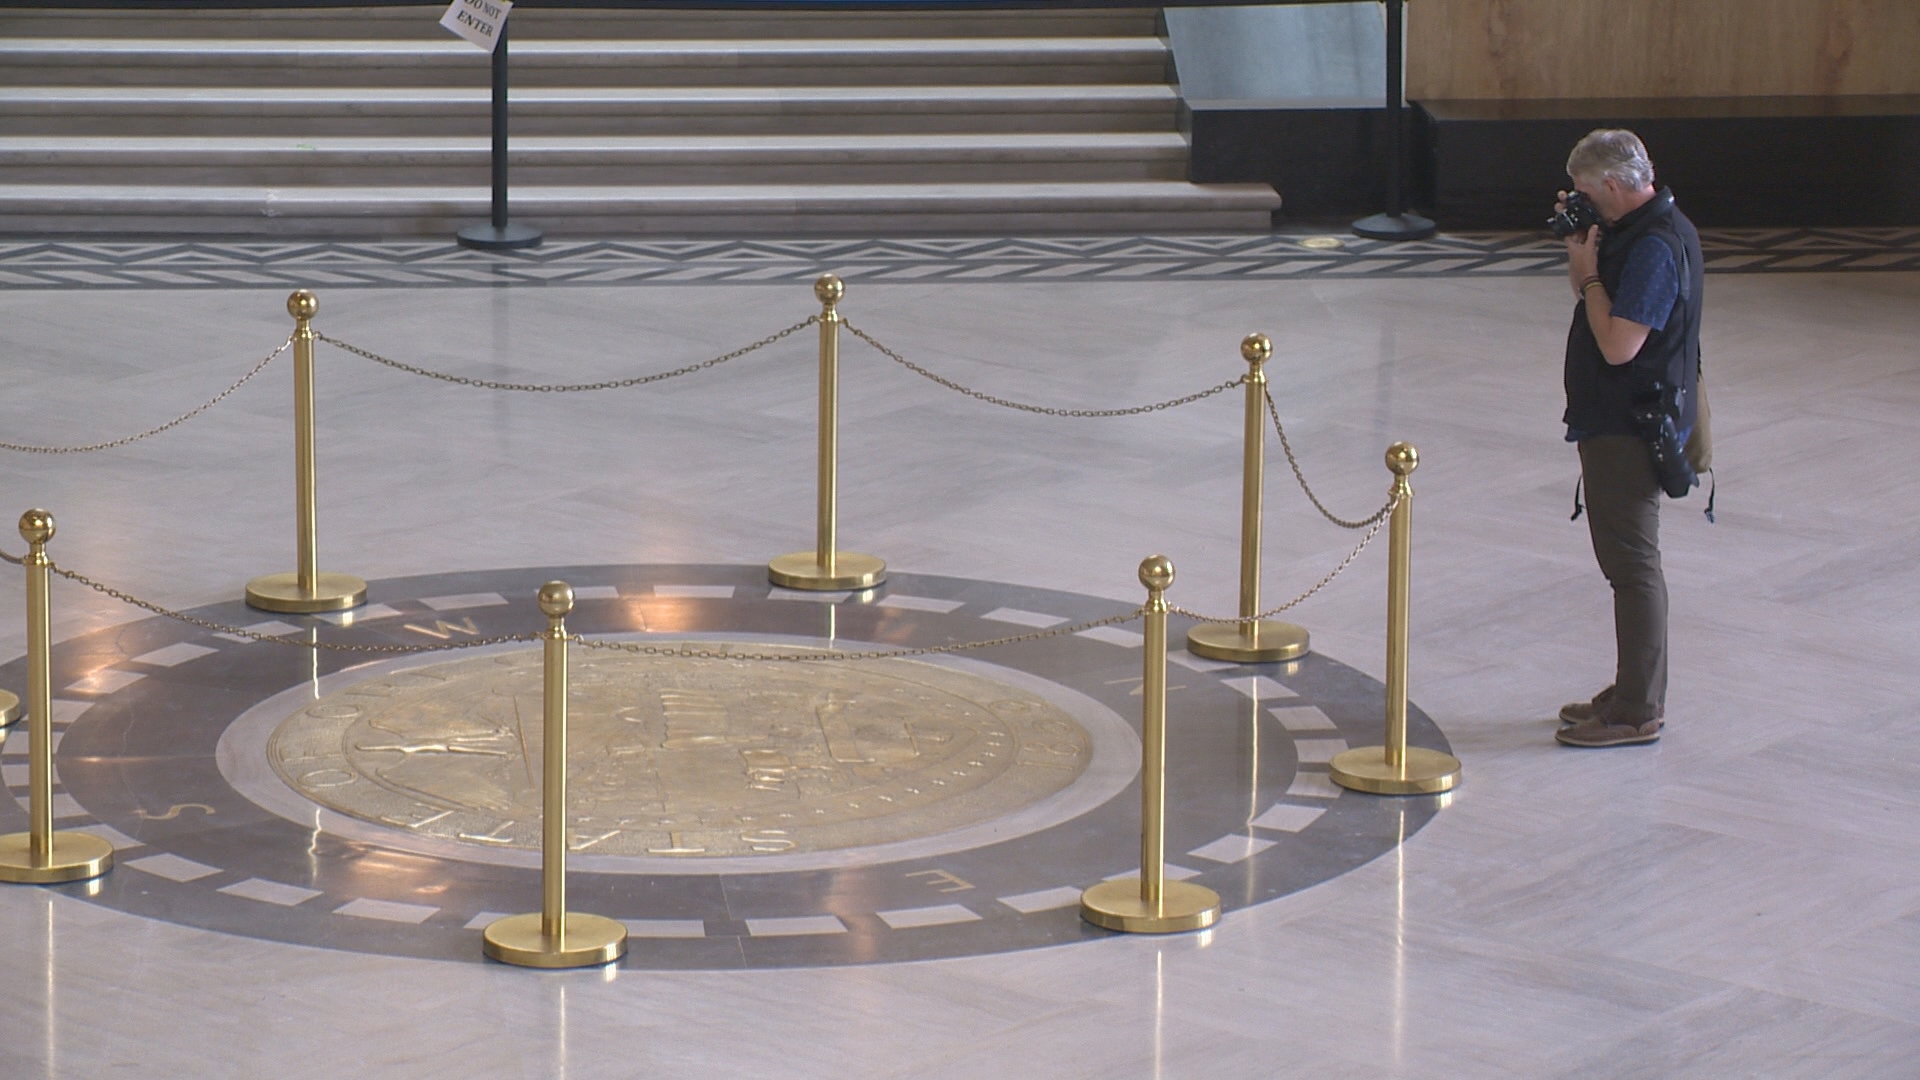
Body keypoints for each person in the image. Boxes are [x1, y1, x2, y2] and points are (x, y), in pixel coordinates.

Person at [1555, 129, 1704, 748]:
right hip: (1617, 419)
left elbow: (1619, 345)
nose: (1582, 204)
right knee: (1628, 566)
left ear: (1614, 185)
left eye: (1588, 194)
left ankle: (1638, 708)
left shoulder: (1652, 247)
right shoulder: (1638, 232)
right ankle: (1630, 689)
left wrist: (1590, 277)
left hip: (1629, 426)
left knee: (1633, 569)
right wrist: (1584, 255)